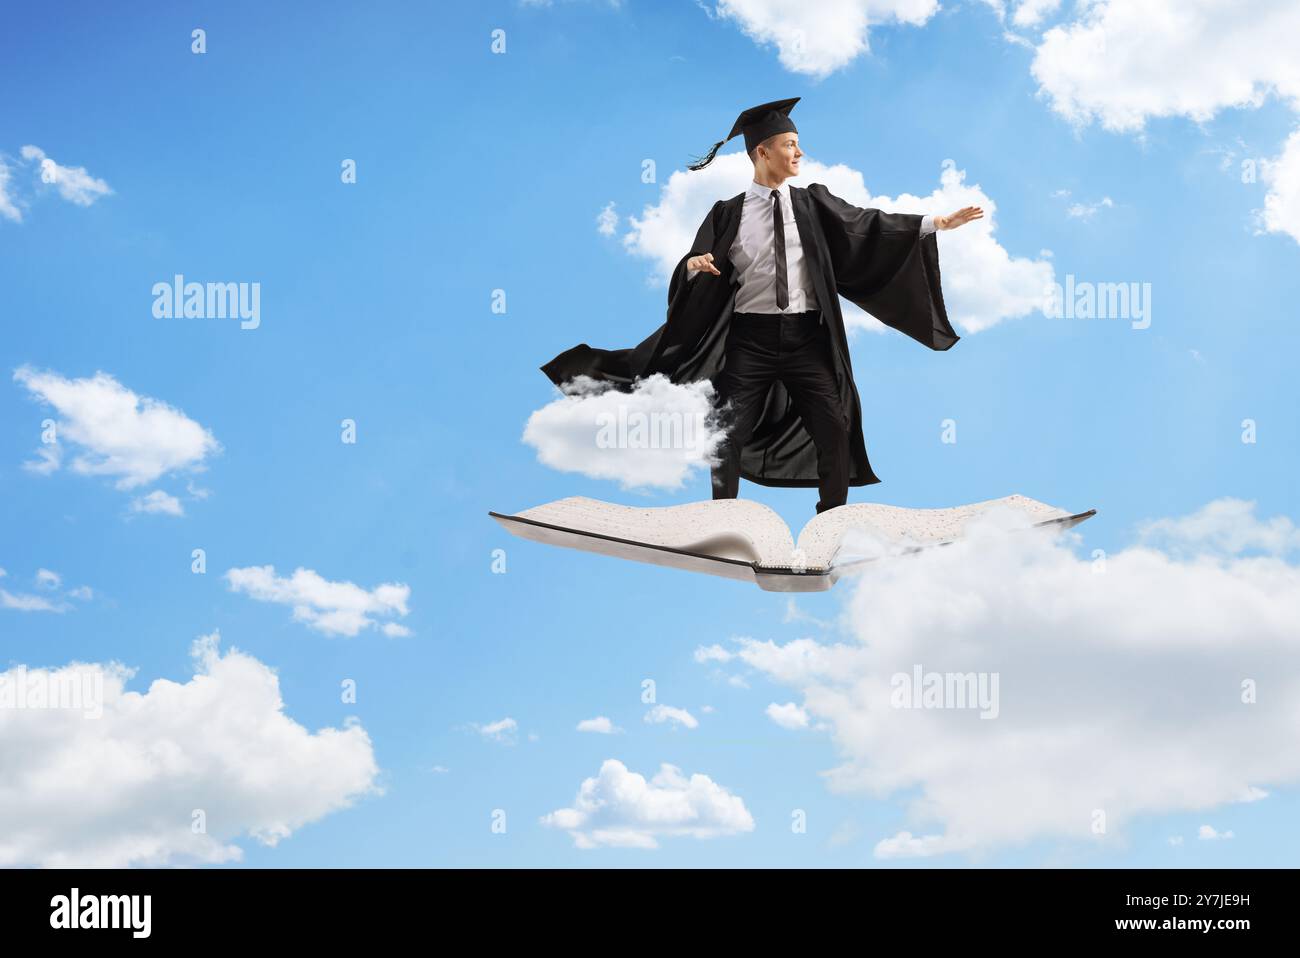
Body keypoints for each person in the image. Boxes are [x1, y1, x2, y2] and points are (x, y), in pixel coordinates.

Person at [541, 97, 982, 514]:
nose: (799, 152)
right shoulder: (726, 213)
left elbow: (865, 224)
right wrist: (693, 266)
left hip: (807, 339)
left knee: (835, 428)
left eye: (798, 144)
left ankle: (830, 520)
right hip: (749, 340)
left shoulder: (812, 203)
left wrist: (934, 223)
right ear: (762, 152)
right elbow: (696, 261)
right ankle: (725, 521)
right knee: (725, 433)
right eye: (790, 145)